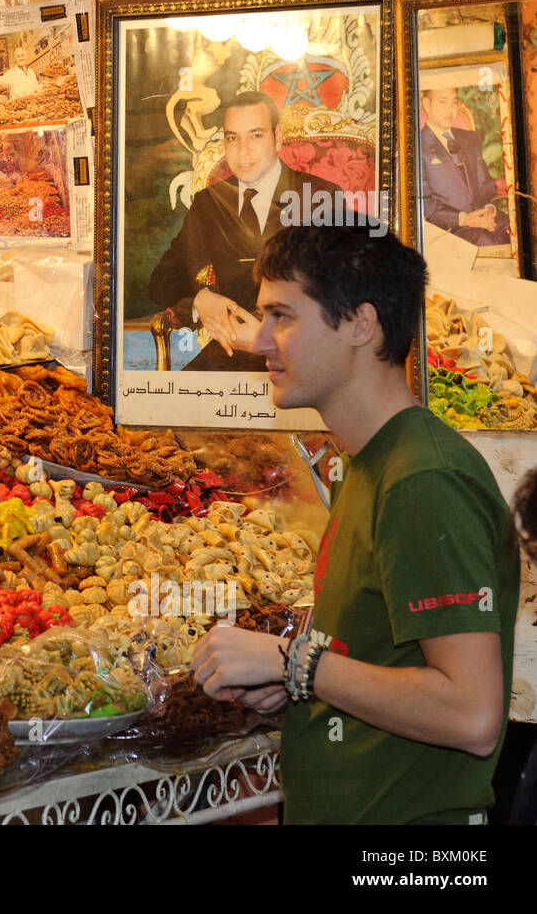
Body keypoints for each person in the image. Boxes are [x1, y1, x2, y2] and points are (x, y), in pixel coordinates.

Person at [190, 225, 518, 824]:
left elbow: (471, 714)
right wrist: (297, 682)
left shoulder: (423, 480)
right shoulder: (369, 462)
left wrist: (294, 663)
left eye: (282, 316)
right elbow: (380, 661)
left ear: (361, 325)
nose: (260, 339)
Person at [148, 90, 344, 372]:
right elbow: (162, 279)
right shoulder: (208, 203)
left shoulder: (322, 197)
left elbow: (340, 301)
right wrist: (200, 300)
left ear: (277, 137)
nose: (243, 151)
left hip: (301, 361)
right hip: (226, 360)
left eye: (255, 135)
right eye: (232, 138)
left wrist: (272, 340)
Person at [419, 87, 509, 247]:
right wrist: (466, 219)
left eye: (454, 102)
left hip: (486, 218)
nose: (450, 109)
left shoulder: (469, 138)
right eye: (443, 102)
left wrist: (489, 210)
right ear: (426, 104)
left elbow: (486, 185)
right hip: (450, 228)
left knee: (521, 230)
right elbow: (425, 203)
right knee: (485, 241)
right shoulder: (416, 147)